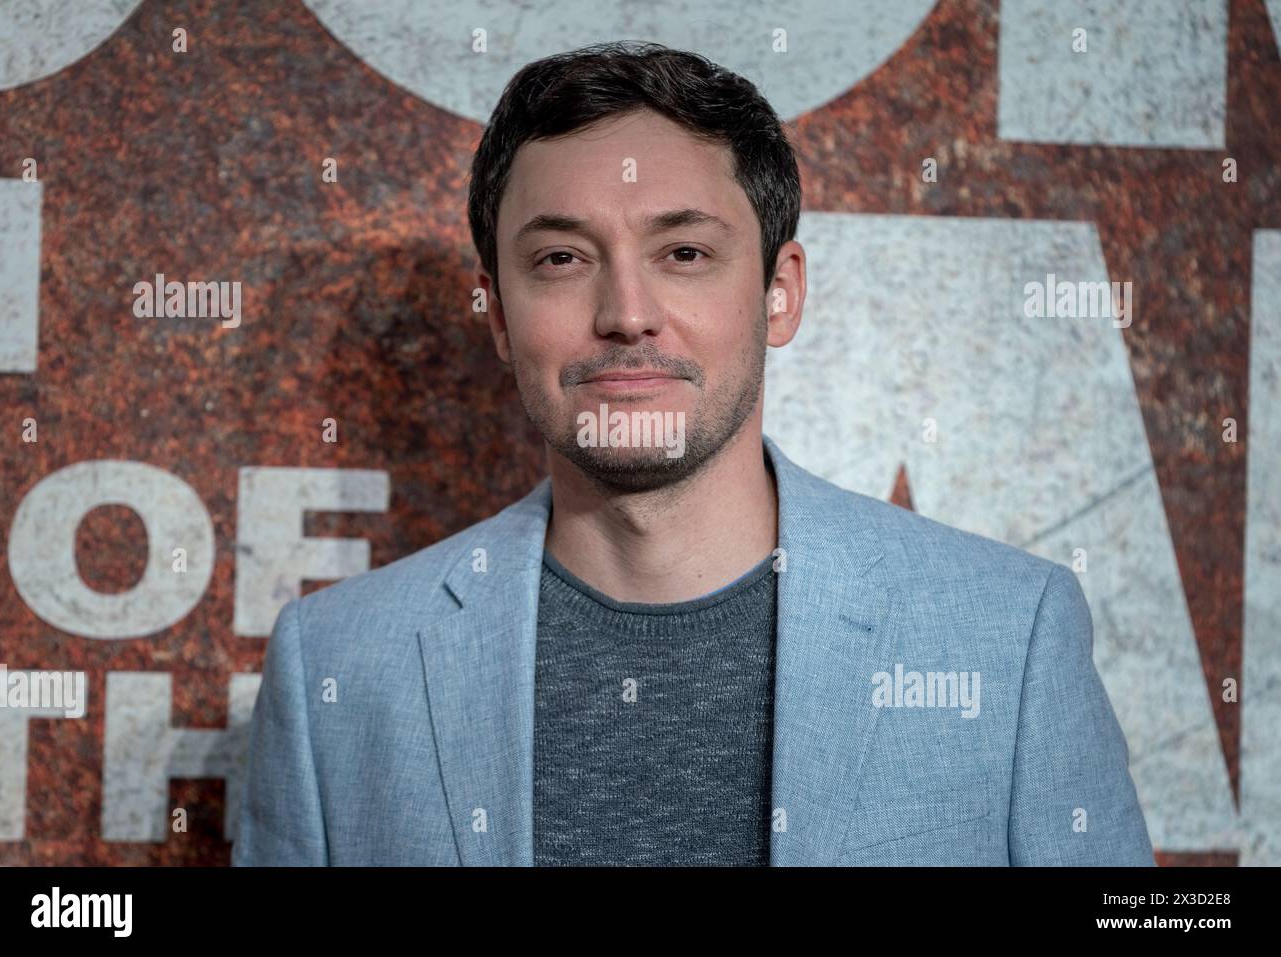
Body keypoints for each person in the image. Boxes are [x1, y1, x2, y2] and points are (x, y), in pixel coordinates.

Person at [233, 41, 1154, 867]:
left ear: (780, 292)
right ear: (500, 314)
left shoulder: (1009, 636)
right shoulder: (338, 672)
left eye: (683, 251)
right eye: (560, 258)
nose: (626, 312)